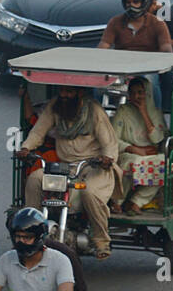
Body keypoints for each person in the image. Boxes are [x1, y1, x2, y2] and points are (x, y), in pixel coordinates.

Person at [18, 86, 121, 259]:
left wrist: (107, 158)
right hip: (65, 167)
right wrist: (26, 148)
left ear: (79, 93)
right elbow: (38, 131)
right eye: (62, 91)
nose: (64, 96)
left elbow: (109, 142)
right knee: (35, 179)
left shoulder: (93, 110)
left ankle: (101, 241)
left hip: (94, 166)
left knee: (90, 192)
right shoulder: (55, 106)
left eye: (69, 92)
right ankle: (30, 231)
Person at [113, 76, 168, 214]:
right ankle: (117, 202)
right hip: (128, 153)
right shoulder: (123, 111)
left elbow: (157, 139)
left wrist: (144, 112)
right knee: (135, 162)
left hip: (150, 155)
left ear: (147, 93)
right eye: (133, 93)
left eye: (140, 92)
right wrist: (134, 149)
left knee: (164, 166)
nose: (136, 96)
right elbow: (113, 140)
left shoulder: (155, 113)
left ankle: (136, 202)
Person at [98, 0, 173, 52]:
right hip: (121, 62)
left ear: (144, 3)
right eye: (128, 2)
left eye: (136, 2)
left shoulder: (157, 23)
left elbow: (166, 50)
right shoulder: (115, 22)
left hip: (149, 63)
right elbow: (103, 47)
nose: (131, 5)